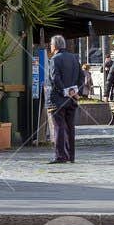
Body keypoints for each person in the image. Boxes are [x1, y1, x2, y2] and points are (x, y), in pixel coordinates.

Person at [46, 35, 82, 164]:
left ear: (55, 46)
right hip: (72, 100)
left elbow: (55, 78)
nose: (50, 46)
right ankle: (70, 155)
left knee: (59, 127)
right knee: (70, 127)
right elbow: (81, 76)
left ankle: (61, 155)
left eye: (51, 44)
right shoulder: (74, 58)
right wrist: (76, 92)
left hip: (58, 99)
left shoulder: (55, 59)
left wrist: (64, 91)